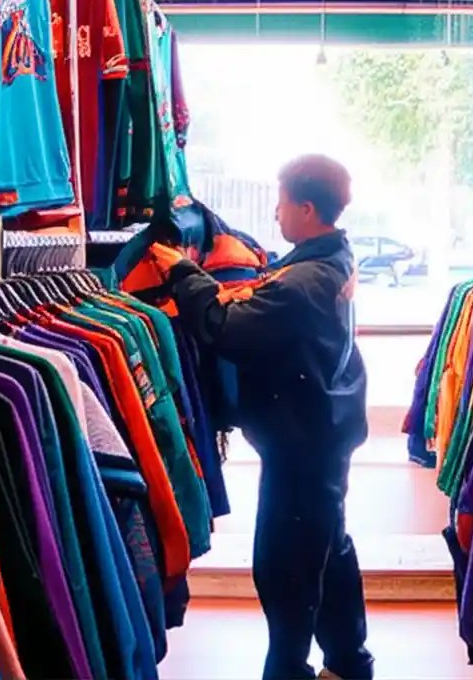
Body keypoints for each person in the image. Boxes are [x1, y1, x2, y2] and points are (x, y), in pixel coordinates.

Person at [144, 154, 373, 680]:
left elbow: (226, 328)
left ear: (307, 208)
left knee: (285, 569)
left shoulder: (302, 285)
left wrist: (183, 274)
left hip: (300, 448)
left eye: (282, 202)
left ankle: (290, 671)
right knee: (328, 552)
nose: (275, 212)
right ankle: (349, 663)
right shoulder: (332, 259)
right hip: (322, 435)